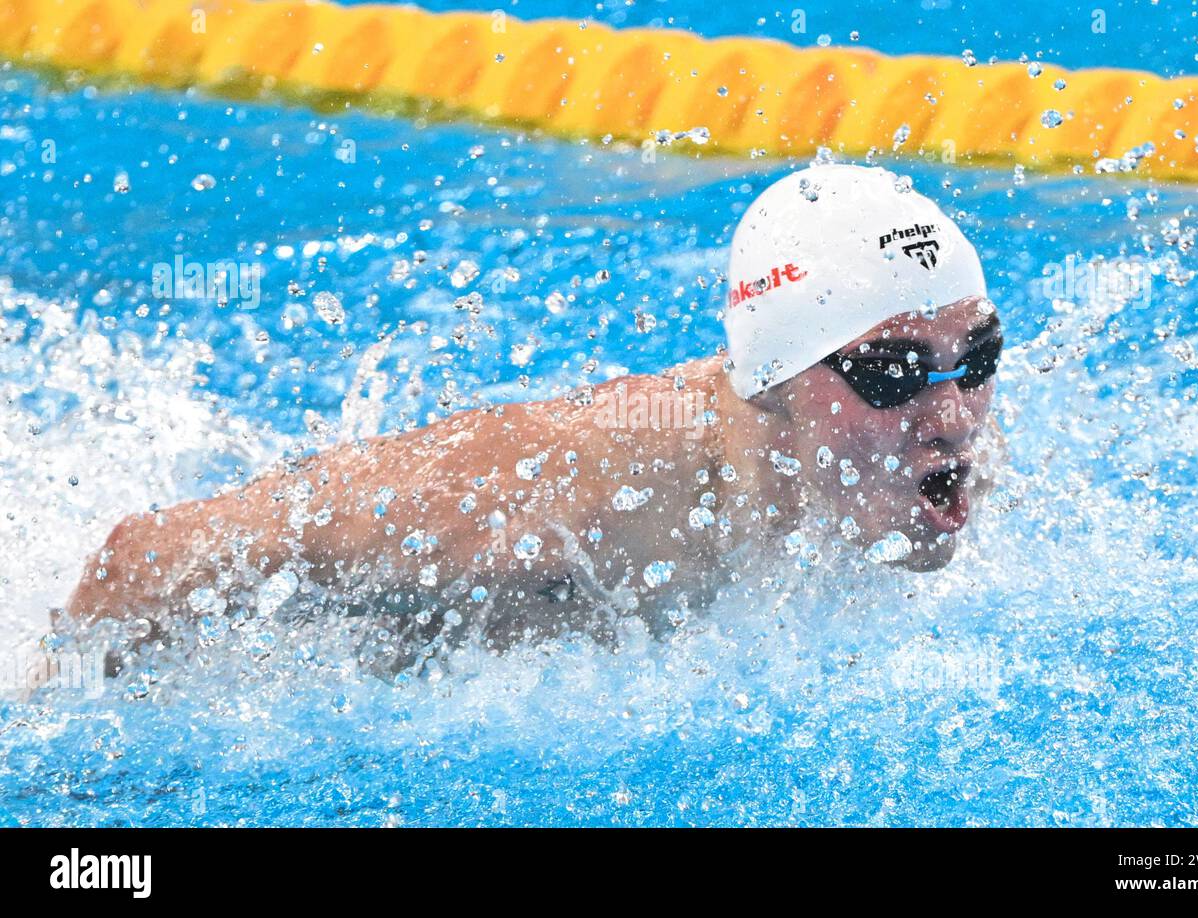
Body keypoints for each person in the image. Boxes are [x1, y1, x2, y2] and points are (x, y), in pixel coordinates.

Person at [63, 163, 1003, 655]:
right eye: (888, 373)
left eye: (979, 359)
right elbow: (144, 559)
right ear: (773, 384)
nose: (955, 415)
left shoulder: (936, 445)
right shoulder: (566, 499)